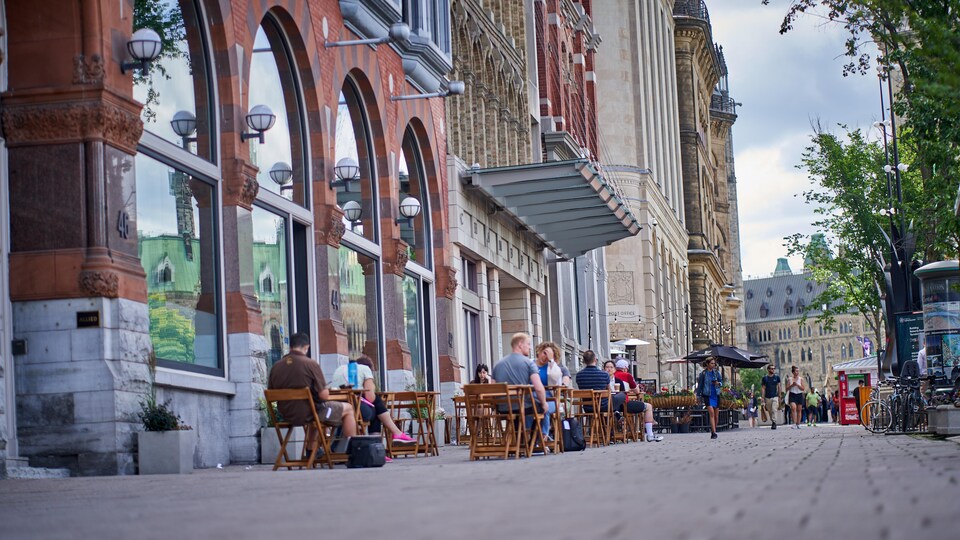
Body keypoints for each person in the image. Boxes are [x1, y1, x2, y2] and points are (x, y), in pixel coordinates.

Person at [268, 333, 357, 455]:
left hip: (286, 414)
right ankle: (354, 451)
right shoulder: (310, 364)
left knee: (315, 410)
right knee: (348, 409)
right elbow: (324, 396)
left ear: (290, 347)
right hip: (309, 414)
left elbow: (271, 393)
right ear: (306, 347)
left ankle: (311, 451)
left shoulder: (276, 366)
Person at [328, 355, 416, 448]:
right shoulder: (365, 369)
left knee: (375, 406)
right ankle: (377, 447)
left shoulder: (339, 369)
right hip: (355, 411)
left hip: (336, 411)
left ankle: (392, 436)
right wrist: (372, 386)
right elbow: (370, 397)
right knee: (376, 405)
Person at [492, 333, 551, 438]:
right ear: (520, 344)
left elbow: (492, 388)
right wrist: (544, 403)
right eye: (528, 344)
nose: (530, 347)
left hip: (502, 408)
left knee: (520, 410)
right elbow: (538, 388)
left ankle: (519, 441)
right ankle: (534, 443)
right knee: (541, 409)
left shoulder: (498, 365)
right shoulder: (529, 363)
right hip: (522, 406)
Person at [612, 359, 662, 441]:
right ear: (625, 368)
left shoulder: (611, 376)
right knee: (648, 407)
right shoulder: (627, 375)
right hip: (625, 405)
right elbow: (637, 391)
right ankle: (650, 434)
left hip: (612, 405)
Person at [697, 357, 723, 439]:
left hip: (716, 394)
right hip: (707, 395)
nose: (713, 365)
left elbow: (722, 382)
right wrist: (698, 396)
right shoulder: (703, 374)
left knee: (716, 415)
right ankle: (714, 432)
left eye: (714, 363)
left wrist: (718, 383)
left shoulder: (717, 373)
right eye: (712, 363)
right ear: (707, 364)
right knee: (711, 413)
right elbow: (700, 385)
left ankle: (714, 429)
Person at [760, 364, 782, 430]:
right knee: (770, 410)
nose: (773, 370)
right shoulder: (765, 378)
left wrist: (779, 395)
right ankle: (773, 421)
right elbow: (763, 388)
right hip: (767, 397)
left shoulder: (777, 377)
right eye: (771, 369)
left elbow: (779, 386)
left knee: (774, 409)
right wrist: (762, 397)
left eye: (773, 368)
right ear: (768, 370)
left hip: (775, 396)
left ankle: (774, 422)